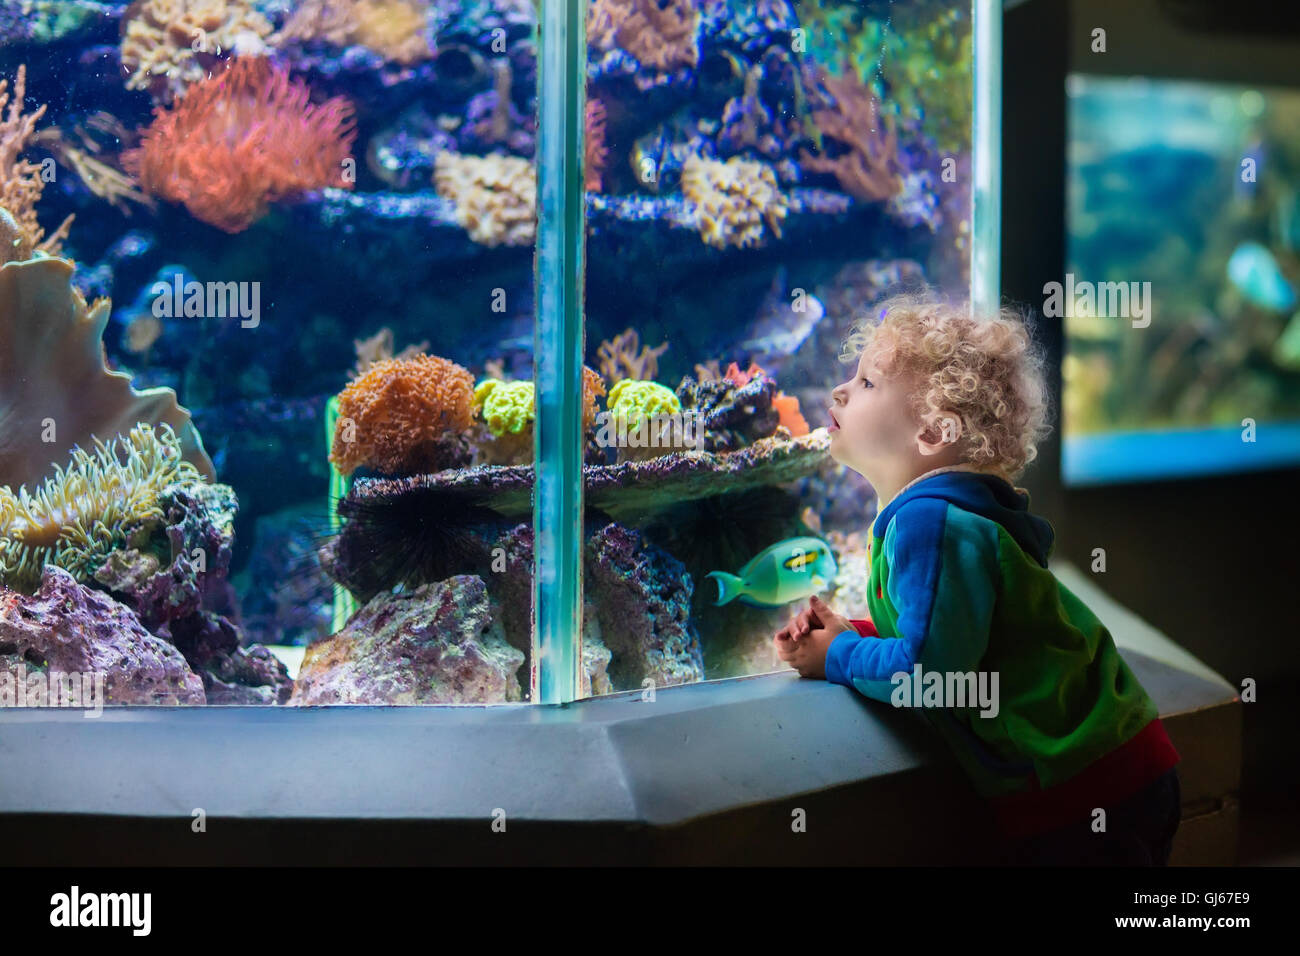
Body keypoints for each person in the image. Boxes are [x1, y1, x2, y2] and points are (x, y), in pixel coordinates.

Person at [774, 294, 1181, 866]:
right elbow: (951, 630)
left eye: (867, 383)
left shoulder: (930, 522)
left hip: (1087, 789)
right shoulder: (950, 513)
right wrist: (852, 631)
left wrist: (839, 655)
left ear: (934, 433)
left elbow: (925, 673)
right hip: (1114, 768)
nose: (840, 391)